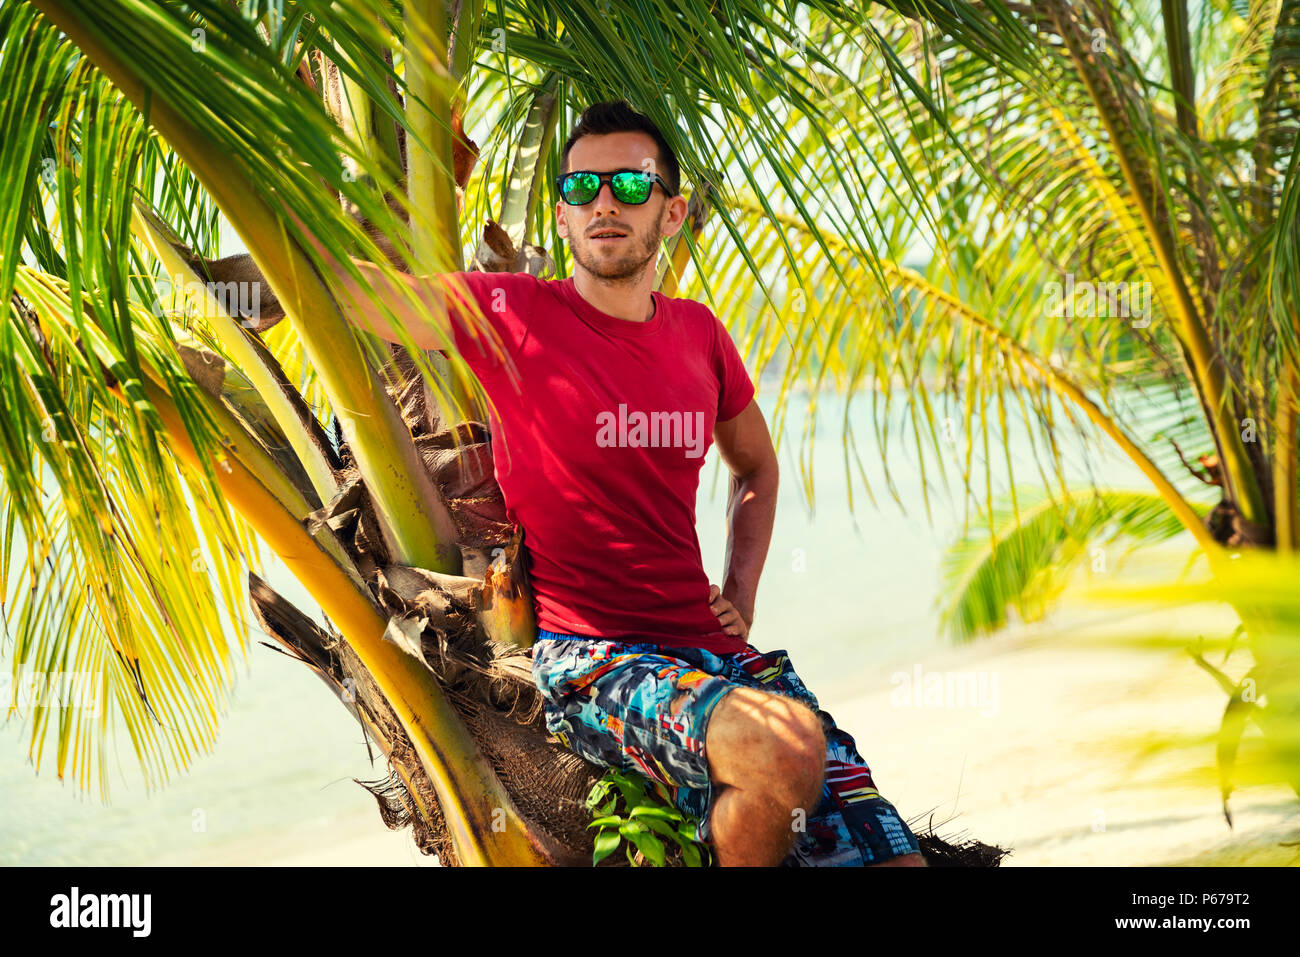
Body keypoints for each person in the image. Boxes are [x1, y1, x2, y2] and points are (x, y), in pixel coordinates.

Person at [317, 100, 925, 867]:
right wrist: (289, 201)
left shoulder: (700, 333)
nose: (605, 202)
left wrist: (740, 592)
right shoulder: (513, 312)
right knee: (785, 750)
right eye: (583, 188)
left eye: (631, 186)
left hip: (715, 655)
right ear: (564, 218)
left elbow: (758, 467)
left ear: (670, 213)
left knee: (900, 857)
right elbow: (373, 296)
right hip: (594, 660)